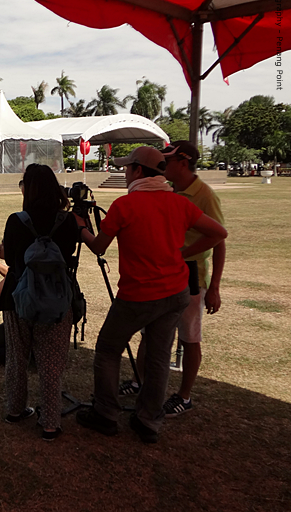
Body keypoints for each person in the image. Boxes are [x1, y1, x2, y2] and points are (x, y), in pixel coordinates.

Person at [76, 146, 227, 443]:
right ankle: (149, 420)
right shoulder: (179, 203)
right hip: (175, 293)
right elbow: (218, 232)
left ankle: (105, 413)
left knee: (107, 350)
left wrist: (80, 227)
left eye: (127, 167)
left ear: (138, 171)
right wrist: (183, 252)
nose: (124, 172)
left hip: (137, 294)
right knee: (159, 357)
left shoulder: (125, 205)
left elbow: (98, 246)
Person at [118, 141, 226, 418]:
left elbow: (219, 239)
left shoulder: (204, 195)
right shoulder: (168, 191)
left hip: (190, 274)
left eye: (167, 160)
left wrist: (213, 286)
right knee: (150, 333)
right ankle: (138, 381)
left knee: (189, 337)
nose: (162, 166)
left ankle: (184, 395)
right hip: (162, 272)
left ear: (183, 162)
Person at [0, 164, 80, 441]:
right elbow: (69, 255)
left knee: (17, 358)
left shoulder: (16, 220)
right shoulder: (67, 221)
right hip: (56, 297)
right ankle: (50, 423)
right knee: (51, 362)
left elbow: (9, 259)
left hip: (18, 296)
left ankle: (14, 410)